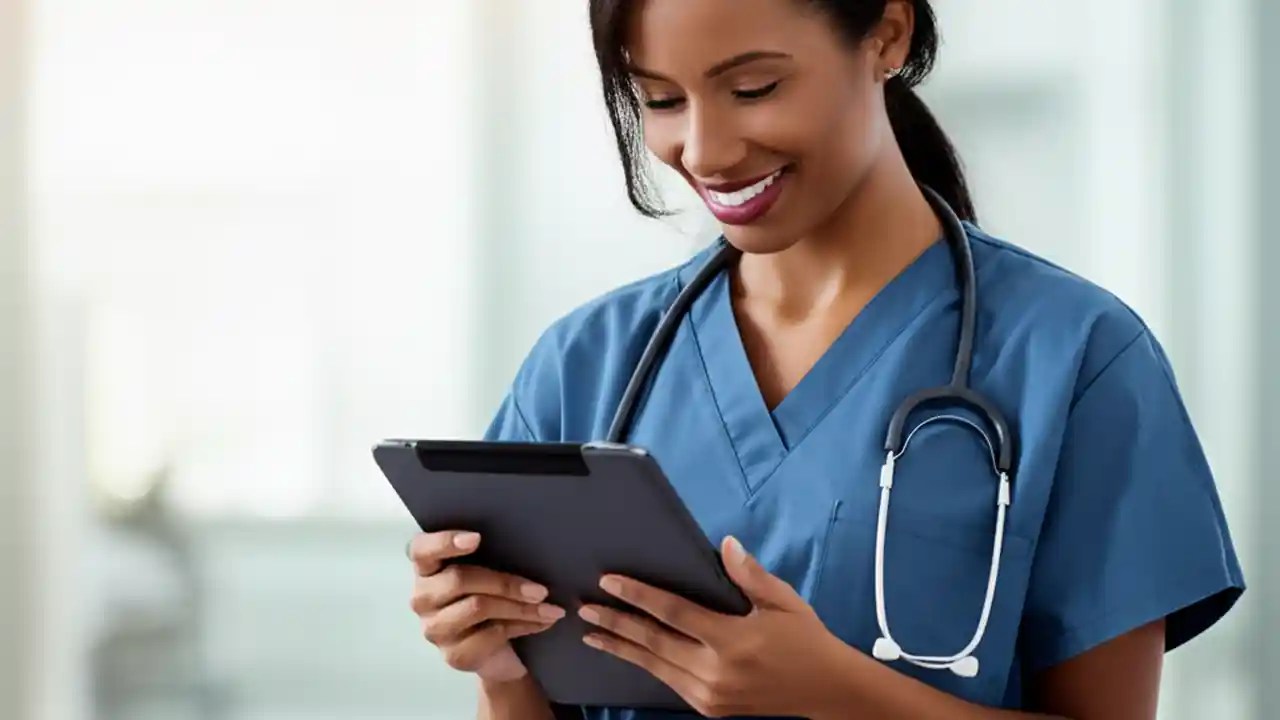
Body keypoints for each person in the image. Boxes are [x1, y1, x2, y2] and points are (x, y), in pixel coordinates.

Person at [406, 1, 1245, 718]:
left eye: (753, 89)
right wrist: (501, 671)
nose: (706, 151)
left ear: (885, 33)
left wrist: (830, 691)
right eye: (659, 99)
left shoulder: (1076, 360)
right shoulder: (584, 366)